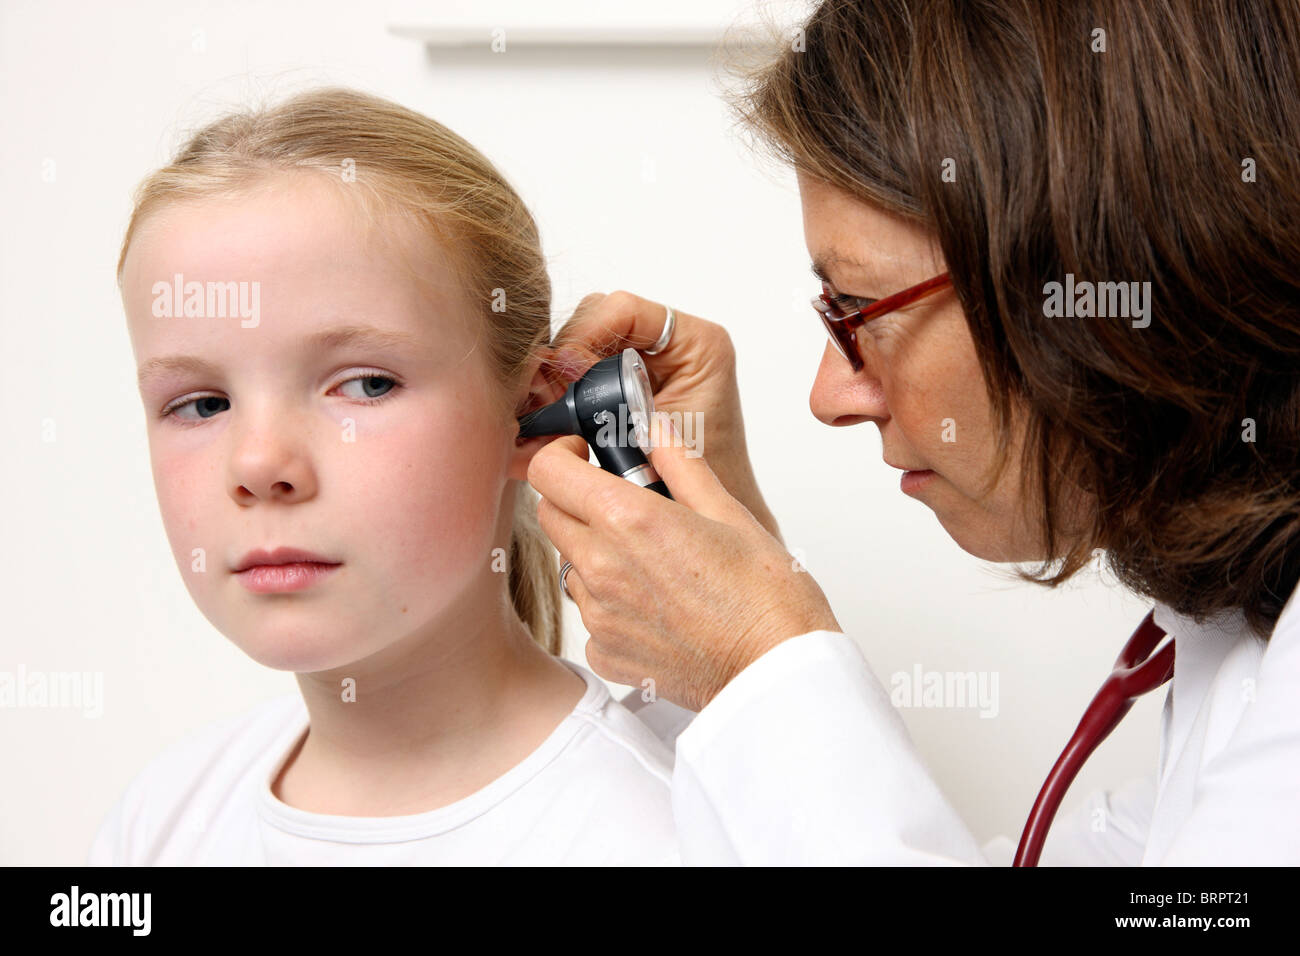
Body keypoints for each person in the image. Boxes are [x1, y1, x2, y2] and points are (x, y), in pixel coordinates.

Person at [525, 0, 1300, 864]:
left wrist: (758, 662)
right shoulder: (1243, 641)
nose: (830, 397)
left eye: (857, 310)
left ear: (1093, 276)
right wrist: (740, 580)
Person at [91, 87, 677, 865]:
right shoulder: (160, 822)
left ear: (534, 411)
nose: (260, 464)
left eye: (365, 384)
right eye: (201, 403)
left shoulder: (660, 828)